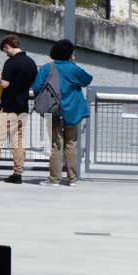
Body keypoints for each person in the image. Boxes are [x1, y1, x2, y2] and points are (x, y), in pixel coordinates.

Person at [31, 39, 93, 185]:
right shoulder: (73, 68)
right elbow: (87, 80)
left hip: (53, 111)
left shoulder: (47, 68)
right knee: (71, 144)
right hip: (73, 112)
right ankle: (72, 178)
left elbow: (37, 87)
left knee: (56, 144)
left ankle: (54, 179)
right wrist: (73, 64)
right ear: (70, 54)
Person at [0, 35, 37, 184]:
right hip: (22, 108)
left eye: (5, 49)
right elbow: (32, 83)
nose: (5, 52)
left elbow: (5, 84)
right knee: (18, 143)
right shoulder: (31, 63)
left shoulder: (11, 62)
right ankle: (17, 174)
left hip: (7, 108)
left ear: (8, 45)